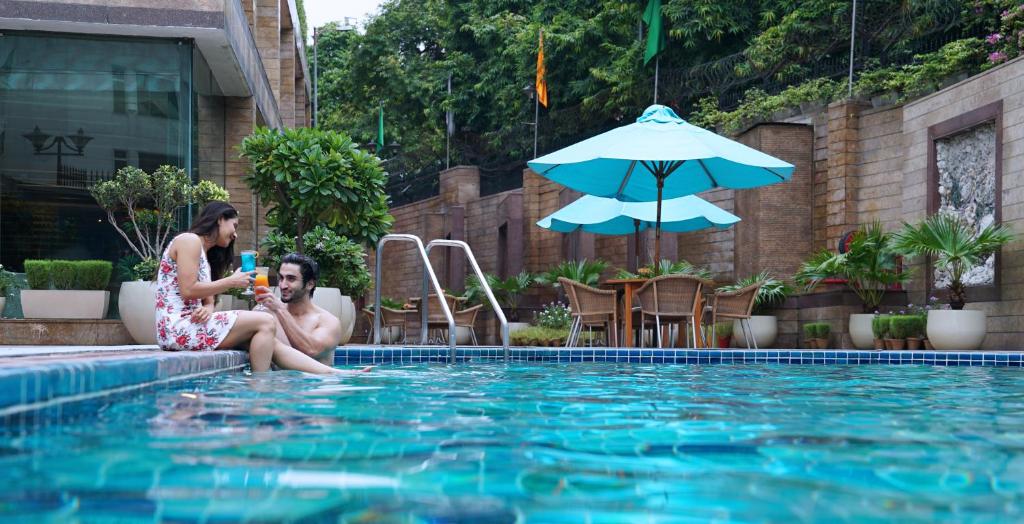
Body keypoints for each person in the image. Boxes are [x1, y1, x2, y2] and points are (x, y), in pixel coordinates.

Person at [154, 202, 339, 374]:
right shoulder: (189, 240)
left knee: (266, 338)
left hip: (191, 325)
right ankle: (259, 388)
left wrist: (206, 309)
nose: (235, 234)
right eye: (234, 226)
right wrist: (231, 281)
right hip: (177, 329)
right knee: (265, 321)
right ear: (220, 219)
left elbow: (208, 302)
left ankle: (332, 373)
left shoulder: (204, 255)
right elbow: (188, 290)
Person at [253, 253, 340, 365]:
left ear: (310, 284)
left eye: (291, 279)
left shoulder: (328, 322)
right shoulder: (267, 313)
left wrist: (280, 309)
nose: (283, 285)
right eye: (281, 278)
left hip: (314, 382)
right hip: (275, 381)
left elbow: (311, 350)